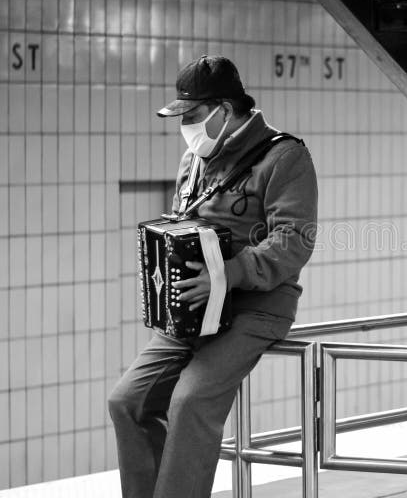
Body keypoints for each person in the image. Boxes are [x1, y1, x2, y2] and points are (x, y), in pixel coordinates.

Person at [107, 55, 318, 498]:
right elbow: (183, 224)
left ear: (224, 109)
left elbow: (294, 240)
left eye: (193, 115)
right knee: (127, 402)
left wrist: (225, 274)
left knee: (190, 401)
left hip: (255, 309)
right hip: (194, 308)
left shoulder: (285, 157)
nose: (186, 126)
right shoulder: (194, 160)